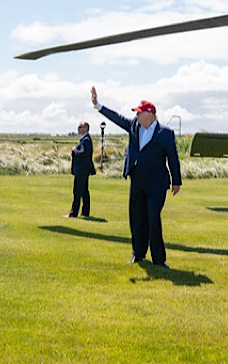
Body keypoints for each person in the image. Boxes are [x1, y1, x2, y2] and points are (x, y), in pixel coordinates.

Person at [91, 86, 181, 267]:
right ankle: (138, 253)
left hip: (156, 183)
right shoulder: (134, 126)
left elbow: (173, 158)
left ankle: (159, 259)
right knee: (136, 218)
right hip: (137, 180)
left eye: (140, 113)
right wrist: (97, 105)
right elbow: (116, 118)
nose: (137, 116)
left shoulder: (165, 133)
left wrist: (176, 181)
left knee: (153, 219)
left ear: (150, 115)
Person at [67, 121, 96, 218]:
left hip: (82, 170)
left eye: (80, 127)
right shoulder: (84, 139)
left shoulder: (86, 140)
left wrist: (74, 150)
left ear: (86, 128)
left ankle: (74, 213)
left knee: (77, 191)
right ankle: (85, 212)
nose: (78, 129)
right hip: (83, 169)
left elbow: (83, 153)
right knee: (84, 191)